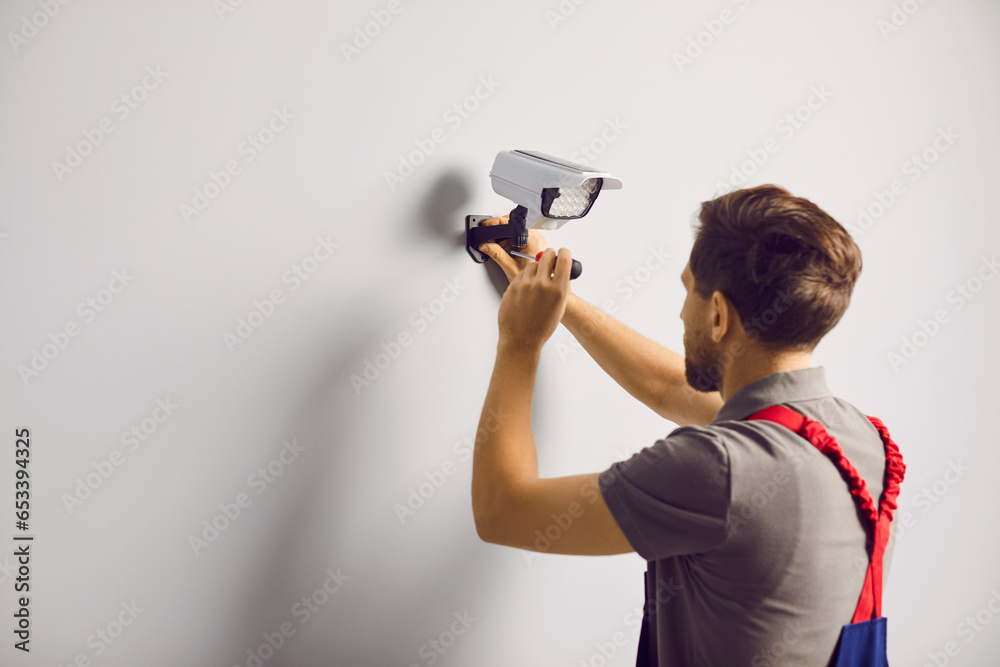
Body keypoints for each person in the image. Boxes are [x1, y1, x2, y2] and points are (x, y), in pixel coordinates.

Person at [470, 184, 901, 665]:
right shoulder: (862, 440)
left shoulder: (717, 468)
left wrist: (520, 341)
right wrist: (556, 300)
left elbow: (502, 510)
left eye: (687, 291)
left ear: (718, 315)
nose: (681, 311)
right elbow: (670, 389)